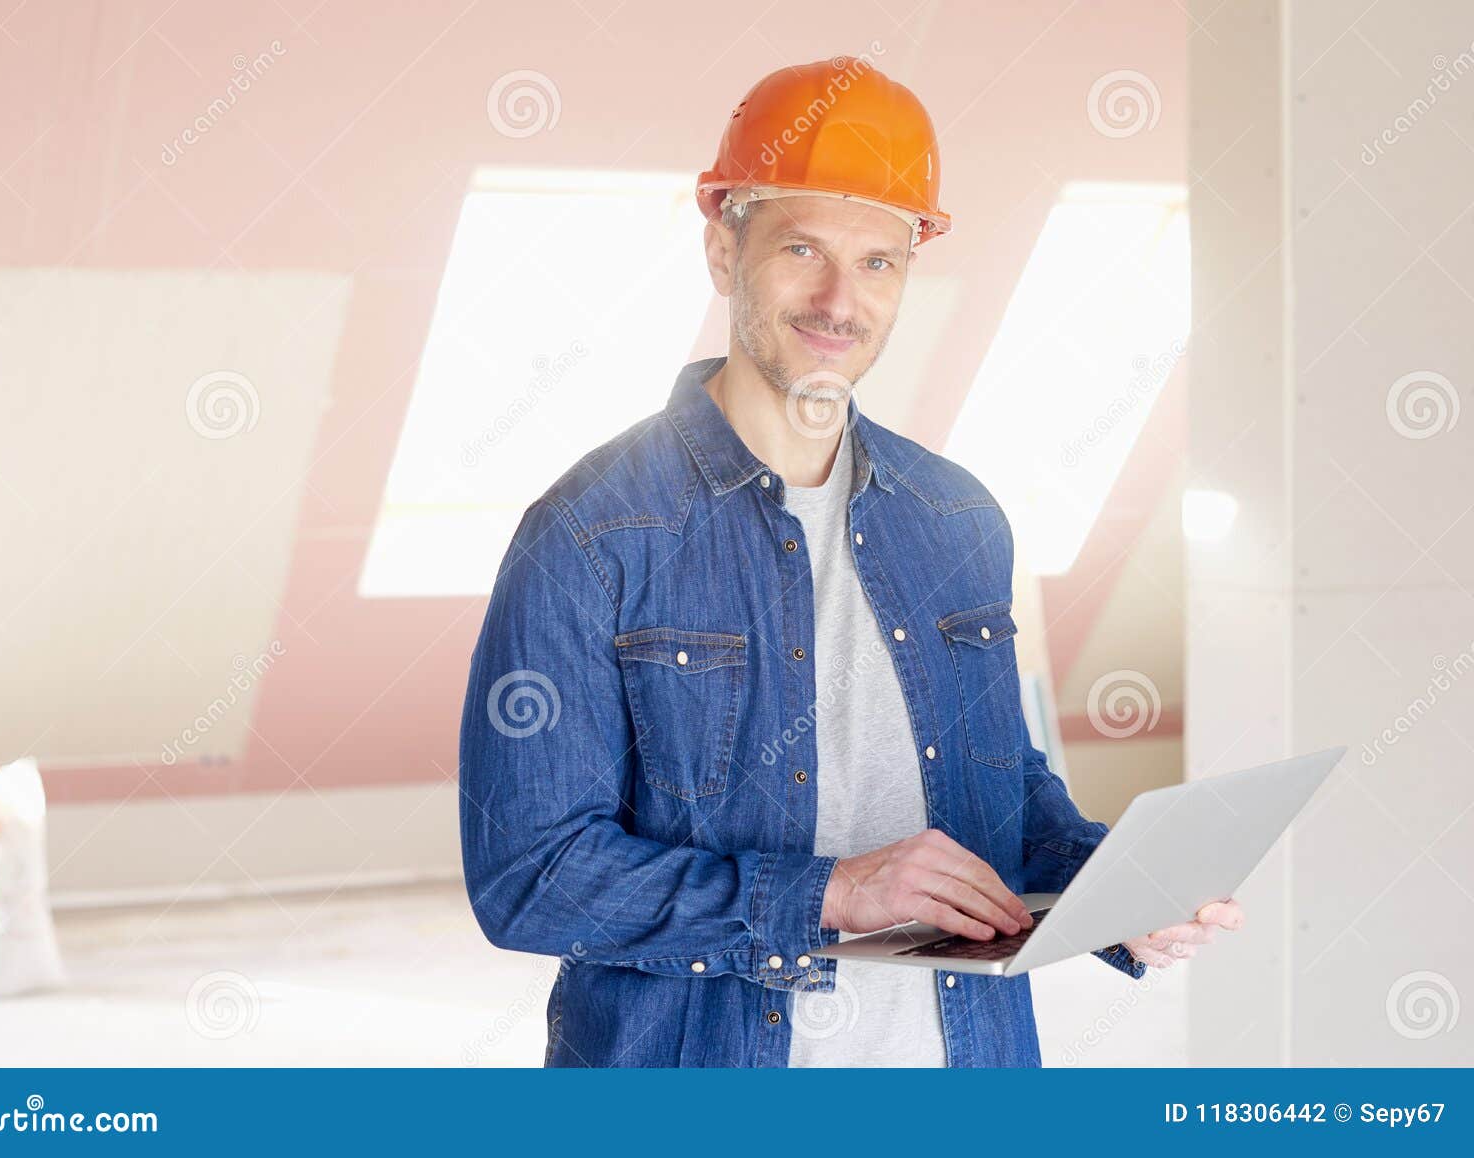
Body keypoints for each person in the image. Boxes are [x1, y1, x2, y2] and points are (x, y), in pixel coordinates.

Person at [459, 57, 1242, 1067]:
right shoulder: (591, 533)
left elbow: (999, 794)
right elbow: (531, 878)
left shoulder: (957, 518)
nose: (840, 298)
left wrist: (1118, 889)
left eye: (879, 262)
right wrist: (829, 892)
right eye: (802, 249)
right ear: (722, 249)